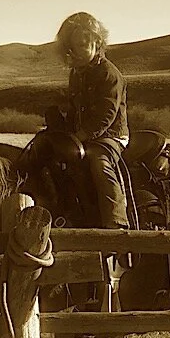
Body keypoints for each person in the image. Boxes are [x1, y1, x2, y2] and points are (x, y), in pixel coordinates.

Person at [49, 11, 128, 229]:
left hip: (110, 136)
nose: (76, 52)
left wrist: (80, 136)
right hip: (81, 135)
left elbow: (106, 115)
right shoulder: (76, 74)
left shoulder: (109, 74)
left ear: (97, 42)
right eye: (71, 48)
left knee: (99, 163)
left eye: (82, 45)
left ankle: (117, 222)